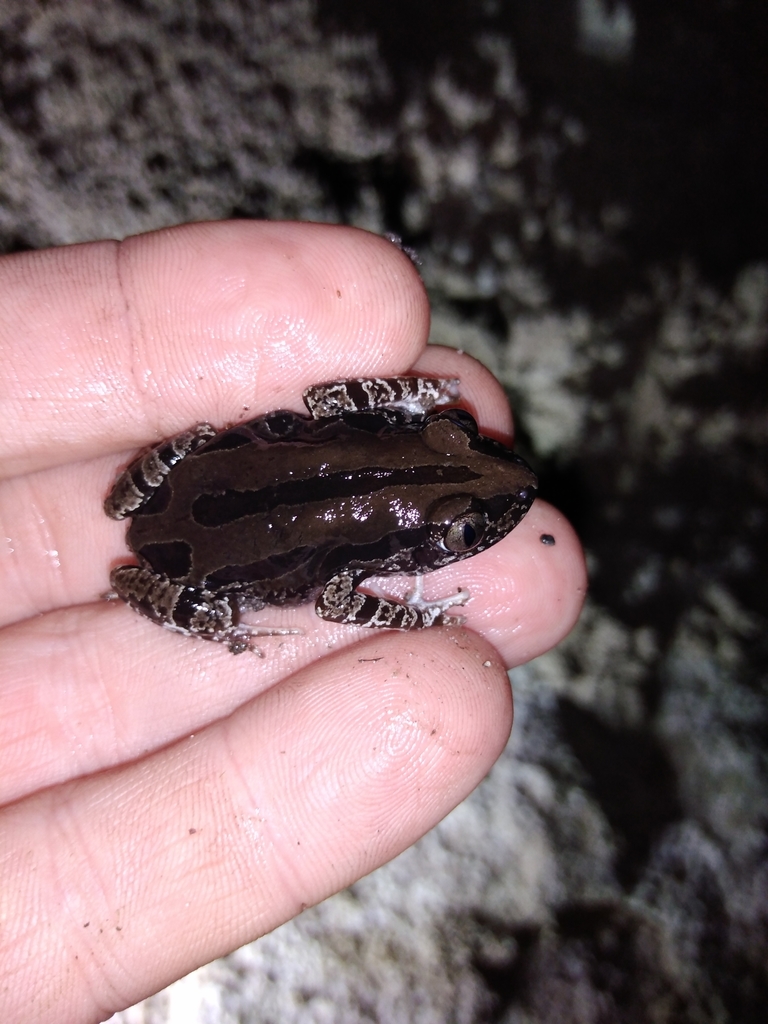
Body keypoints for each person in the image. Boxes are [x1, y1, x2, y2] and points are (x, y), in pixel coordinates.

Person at [0, 220, 586, 1023]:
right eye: (455, 535)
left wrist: (407, 406)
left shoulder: (376, 441)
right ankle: (217, 621)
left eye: (452, 435)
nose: (470, 438)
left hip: (176, 485)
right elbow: (342, 596)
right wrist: (411, 617)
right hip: (183, 567)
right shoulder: (363, 530)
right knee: (220, 606)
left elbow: (324, 404)